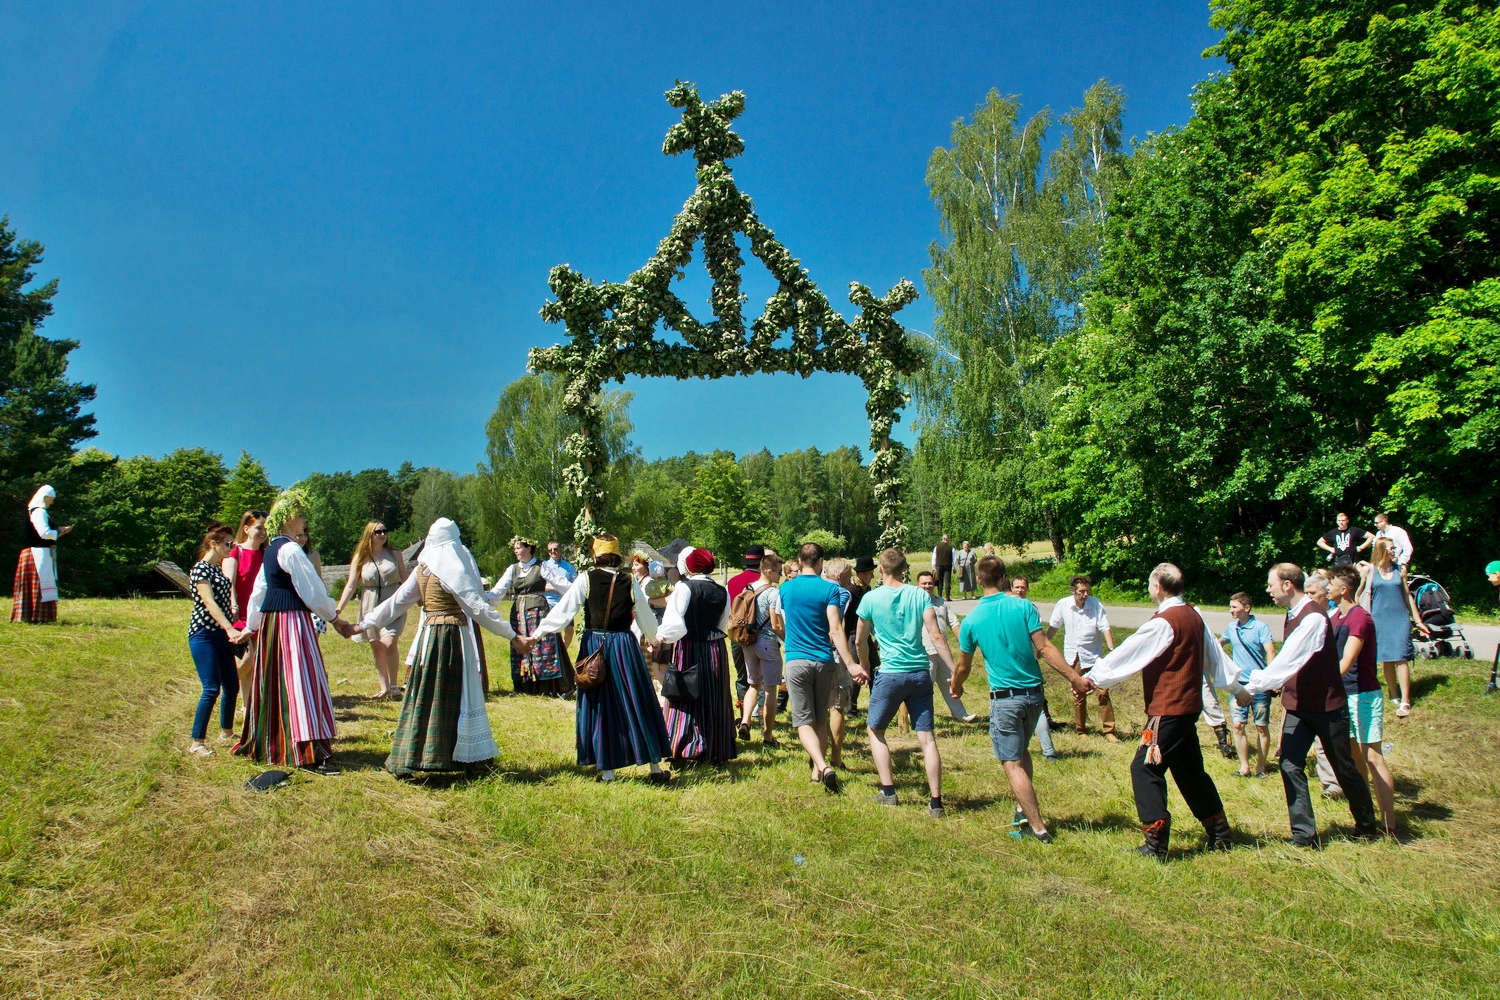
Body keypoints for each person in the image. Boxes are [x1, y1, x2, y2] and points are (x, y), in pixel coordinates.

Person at [1084, 563, 1241, 858]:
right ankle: (1220, 833)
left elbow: (1129, 652)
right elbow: (1217, 659)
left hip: (1169, 709)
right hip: (1187, 709)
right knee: (1190, 772)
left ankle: (1155, 844)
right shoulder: (1193, 616)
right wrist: (1238, 689)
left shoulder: (1165, 621)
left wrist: (1093, 677)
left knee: (1145, 769)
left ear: (1157, 587)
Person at [355, 519, 519, 776]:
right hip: (452, 636)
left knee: (424, 695)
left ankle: (413, 755)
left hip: (428, 635)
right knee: (459, 694)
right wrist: (512, 635)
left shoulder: (422, 568)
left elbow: (396, 603)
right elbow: (476, 607)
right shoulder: (452, 569)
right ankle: (462, 759)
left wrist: (365, 622)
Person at [1242, 563, 1381, 846]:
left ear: (1287, 585)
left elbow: (1291, 658)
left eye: (1271, 584)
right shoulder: (1293, 614)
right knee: (1290, 764)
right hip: (1299, 706)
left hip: (1328, 708)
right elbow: (1289, 663)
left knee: (1343, 767)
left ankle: (1367, 824)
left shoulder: (1313, 618)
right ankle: (1304, 834)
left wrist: (1253, 687)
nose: (1268, 590)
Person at [952, 556, 1089, 842]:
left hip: (1005, 700)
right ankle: (1021, 812)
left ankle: (1038, 828)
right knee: (1022, 751)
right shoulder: (1023, 606)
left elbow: (964, 666)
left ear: (978, 580)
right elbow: (1046, 647)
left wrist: (956, 685)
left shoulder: (973, 619)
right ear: (1004, 577)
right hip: (1034, 696)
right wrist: (1074, 677)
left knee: (1012, 763)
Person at [532, 535, 672, 783]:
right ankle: (654, 768)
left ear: (596, 556)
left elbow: (565, 610)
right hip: (624, 646)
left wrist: (537, 634)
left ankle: (607, 772)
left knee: (600, 705)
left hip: (595, 646)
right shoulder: (628, 580)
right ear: (617, 555)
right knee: (637, 701)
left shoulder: (587, 579)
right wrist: (654, 638)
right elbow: (644, 615)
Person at [234, 489, 356, 774]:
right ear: (288, 519)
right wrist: (334, 617)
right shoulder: (289, 550)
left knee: (277, 682)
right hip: (291, 623)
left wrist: (252, 625)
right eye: (300, 516)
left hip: (271, 625)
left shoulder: (273, 548)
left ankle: (272, 743)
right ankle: (307, 752)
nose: (303, 521)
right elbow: (311, 590)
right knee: (301, 683)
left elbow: (259, 591)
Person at [858, 549, 959, 817]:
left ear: (881, 569)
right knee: (927, 738)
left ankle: (888, 791)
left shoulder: (870, 598)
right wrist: (954, 671)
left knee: (875, 730)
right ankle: (936, 802)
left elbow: (860, 640)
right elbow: (936, 636)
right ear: (904, 568)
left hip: (890, 673)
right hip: (919, 673)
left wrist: (864, 666)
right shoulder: (919, 595)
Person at [780, 541, 863, 792]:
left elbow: (784, 622)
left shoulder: (785, 589)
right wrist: (850, 663)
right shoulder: (830, 590)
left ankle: (821, 766)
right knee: (820, 718)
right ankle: (820, 769)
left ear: (800, 560)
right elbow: (835, 629)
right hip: (824, 660)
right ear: (820, 562)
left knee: (802, 721)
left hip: (796, 659)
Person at [1328, 564, 1397, 836]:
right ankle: (1366, 818)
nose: (1326, 587)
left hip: (1363, 694)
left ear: (1343, 589)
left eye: (1330, 583)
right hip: (1344, 694)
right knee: (1355, 758)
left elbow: (1347, 661)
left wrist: (1325, 681)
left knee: (1372, 757)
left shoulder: (1359, 618)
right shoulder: (1336, 617)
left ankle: (1390, 823)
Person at [655, 547, 737, 765]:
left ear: (689, 566)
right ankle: (715, 750)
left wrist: (662, 636)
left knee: (684, 693)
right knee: (714, 696)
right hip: (715, 648)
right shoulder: (722, 591)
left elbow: (675, 621)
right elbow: (722, 622)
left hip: (688, 646)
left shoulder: (684, 587)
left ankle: (680, 748)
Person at [487, 536, 575, 696]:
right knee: (520, 647)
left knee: (544, 647)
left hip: (538, 613)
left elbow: (562, 584)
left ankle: (551, 686)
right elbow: (498, 591)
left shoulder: (542, 566)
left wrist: (578, 594)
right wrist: (480, 600)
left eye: (518, 547)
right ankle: (525, 686)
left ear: (528, 548)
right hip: (519, 615)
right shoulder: (512, 569)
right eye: (515, 547)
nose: (515, 550)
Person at [187, 524, 244, 756]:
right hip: (204, 635)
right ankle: (196, 743)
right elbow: (209, 603)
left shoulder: (218, 570)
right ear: (214, 544)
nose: (231, 548)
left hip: (220, 635)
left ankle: (226, 732)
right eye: (228, 544)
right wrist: (229, 628)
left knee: (231, 685)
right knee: (211, 688)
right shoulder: (200, 570)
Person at [335, 521, 409, 699]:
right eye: (378, 532)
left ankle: (393, 686)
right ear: (370, 534)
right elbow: (351, 585)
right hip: (370, 602)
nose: (382, 534)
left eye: (385, 531)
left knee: (389, 642)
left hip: (393, 602)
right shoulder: (361, 557)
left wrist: (419, 598)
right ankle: (384, 688)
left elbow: (405, 580)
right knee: (376, 645)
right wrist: (339, 608)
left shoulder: (395, 554)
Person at [1045, 575, 1119, 742]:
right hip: (1074, 656)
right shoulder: (1063, 604)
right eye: (1081, 591)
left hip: (1094, 656)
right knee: (1078, 694)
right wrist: (1043, 646)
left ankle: (1109, 731)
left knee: (1103, 692)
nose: (1085, 594)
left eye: (1087, 591)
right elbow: (1054, 626)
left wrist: (1111, 649)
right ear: (1073, 591)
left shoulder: (1095, 604)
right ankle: (1081, 730)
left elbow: (1104, 627)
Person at [1362, 538, 1428, 718]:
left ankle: (1406, 700)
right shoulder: (1369, 571)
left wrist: (1418, 620)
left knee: (1401, 657)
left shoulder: (1401, 570)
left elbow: (1407, 595)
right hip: (1379, 620)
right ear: (1382, 550)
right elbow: (1359, 594)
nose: (1394, 551)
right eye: (1391, 548)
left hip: (1399, 619)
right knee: (1386, 658)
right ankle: (1393, 693)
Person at [1222, 592, 1277, 778]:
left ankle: (1261, 767)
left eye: (1234, 607)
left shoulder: (1260, 627)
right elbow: (1219, 644)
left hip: (1259, 685)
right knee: (1238, 725)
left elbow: (1270, 650)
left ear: (1246, 608)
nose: (1231, 611)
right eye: (1230, 607)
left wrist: (1272, 677)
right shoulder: (1231, 628)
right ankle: (1244, 767)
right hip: (1239, 686)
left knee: (1261, 726)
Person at [915, 570, 979, 722]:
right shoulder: (914, 603)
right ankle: (917, 714)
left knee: (950, 683)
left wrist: (963, 641)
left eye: (930, 583)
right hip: (925, 651)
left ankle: (960, 714)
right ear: (917, 585)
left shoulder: (941, 602)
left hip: (942, 651)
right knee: (924, 687)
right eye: (923, 583)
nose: (927, 586)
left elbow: (954, 623)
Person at [736, 551, 785, 746]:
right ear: (768, 571)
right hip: (767, 643)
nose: (780, 576)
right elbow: (775, 623)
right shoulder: (773, 593)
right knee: (771, 690)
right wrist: (787, 639)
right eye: (778, 572)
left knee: (753, 685)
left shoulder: (749, 588)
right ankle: (767, 736)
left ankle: (745, 721)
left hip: (749, 642)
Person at [1008, 575, 1059, 760]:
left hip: (1028, 663)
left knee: (1037, 709)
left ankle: (1048, 751)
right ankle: (1013, 749)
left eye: (1023, 587)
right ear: (1012, 588)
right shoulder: (1009, 607)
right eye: (1017, 587)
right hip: (1010, 664)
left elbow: (1038, 638)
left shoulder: (1030, 608)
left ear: (1027, 589)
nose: (1020, 590)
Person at [12, 485, 71, 623]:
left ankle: (30, 616)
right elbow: (44, 533)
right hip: (37, 554)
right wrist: (59, 531)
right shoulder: (39, 512)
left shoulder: (34, 511)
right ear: (45, 498)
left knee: (35, 585)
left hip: (34, 552)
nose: (52, 502)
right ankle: (38, 617)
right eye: (51, 499)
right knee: (39, 584)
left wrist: (57, 532)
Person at [224, 511, 268, 696]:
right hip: (240, 613)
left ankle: (247, 705)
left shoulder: (267, 553)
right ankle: (226, 688)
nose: (263, 531)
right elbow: (229, 582)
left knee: (257, 663)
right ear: (246, 529)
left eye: (265, 528)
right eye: (259, 527)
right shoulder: (236, 550)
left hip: (262, 613)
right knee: (246, 657)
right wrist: (233, 605)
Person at [823, 558, 856, 764]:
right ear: (842, 576)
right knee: (836, 705)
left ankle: (816, 756)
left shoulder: (813, 588)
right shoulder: (842, 593)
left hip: (806, 650)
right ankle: (835, 757)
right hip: (832, 650)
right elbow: (834, 622)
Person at [726, 545, 766, 714]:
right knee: (762, 677)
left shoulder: (733, 581)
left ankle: (744, 714)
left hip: (738, 634)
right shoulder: (764, 582)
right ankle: (763, 714)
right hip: (760, 633)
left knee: (742, 676)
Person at [843, 555, 877, 716]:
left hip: (866, 634)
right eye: (870, 573)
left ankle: (876, 703)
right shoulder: (850, 591)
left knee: (874, 666)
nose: (872, 576)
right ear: (862, 573)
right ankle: (850, 707)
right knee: (856, 671)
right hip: (852, 634)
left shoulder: (867, 590)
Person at [931, 534, 954, 600]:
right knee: (947, 581)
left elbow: (934, 558)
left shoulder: (937, 547)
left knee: (939, 581)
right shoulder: (951, 548)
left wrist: (934, 567)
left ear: (942, 539)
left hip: (939, 566)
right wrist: (955, 567)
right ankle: (947, 596)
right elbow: (954, 558)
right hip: (948, 565)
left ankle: (939, 596)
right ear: (948, 539)